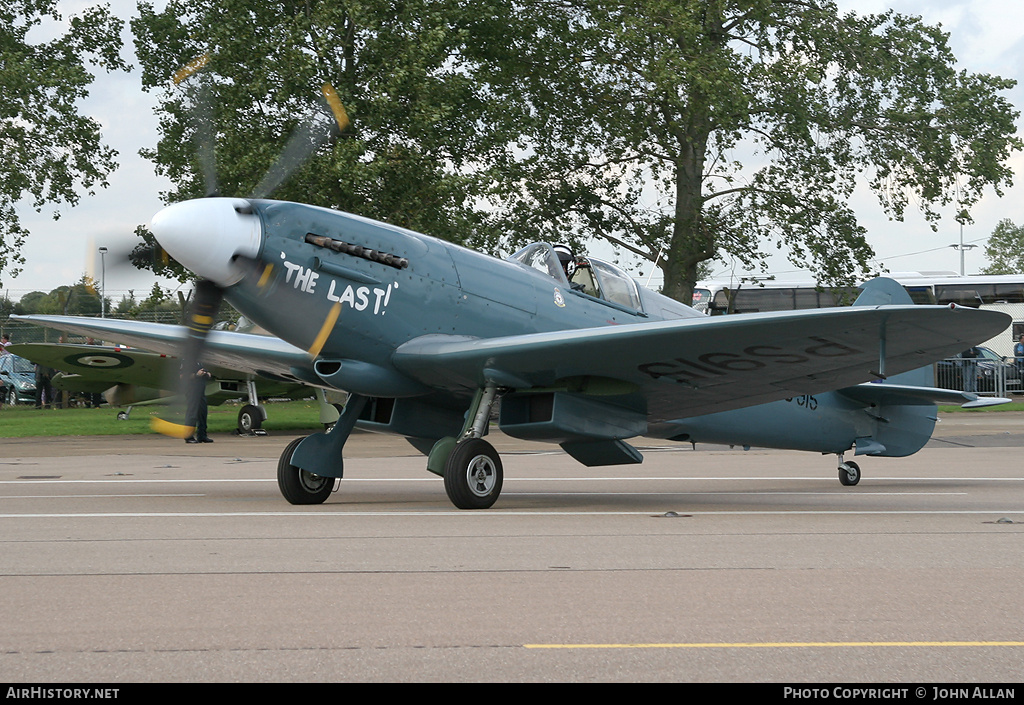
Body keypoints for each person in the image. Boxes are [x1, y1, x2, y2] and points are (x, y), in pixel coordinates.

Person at [185, 362, 213, 443]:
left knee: (203, 413)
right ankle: (188, 436)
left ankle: (202, 435)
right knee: (192, 413)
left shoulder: (200, 362)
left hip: (201, 391)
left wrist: (206, 374)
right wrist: (197, 375)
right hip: (192, 391)